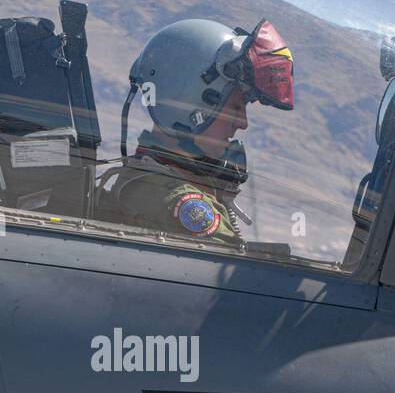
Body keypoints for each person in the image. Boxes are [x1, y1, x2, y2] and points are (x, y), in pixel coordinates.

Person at [105, 18, 294, 244]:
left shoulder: (162, 181)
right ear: (191, 103)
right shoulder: (176, 200)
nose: (243, 123)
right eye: (235, 106)